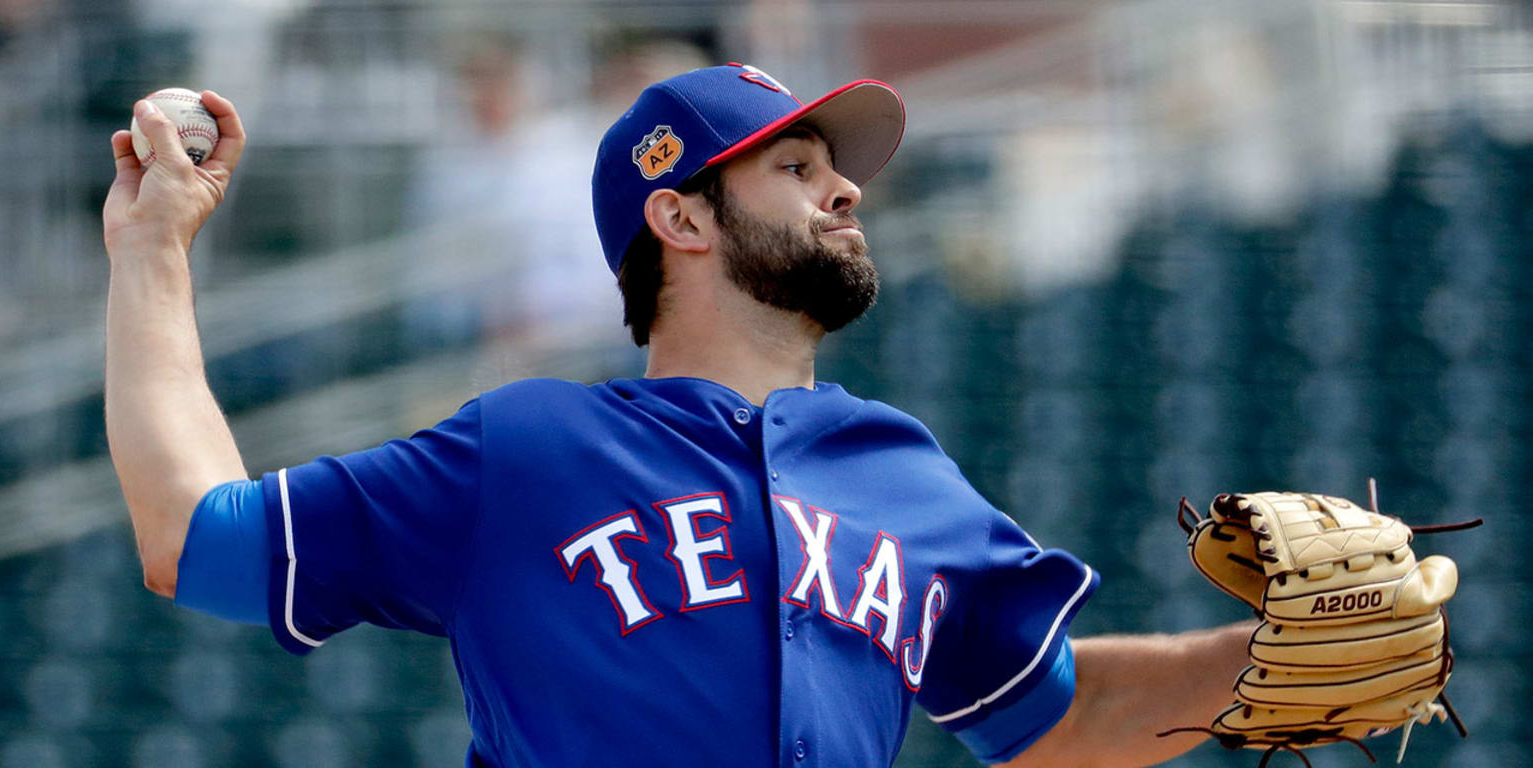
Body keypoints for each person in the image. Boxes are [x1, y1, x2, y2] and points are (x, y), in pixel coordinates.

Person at [102, 64, 1252, 767]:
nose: (846, 189)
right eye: (795, 167)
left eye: (833, 171)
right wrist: (152, 250)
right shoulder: (528, 450)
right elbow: (197, 537)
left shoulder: (905, 473)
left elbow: (1057, 717)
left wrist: (1265, 658)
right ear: (683, 218)